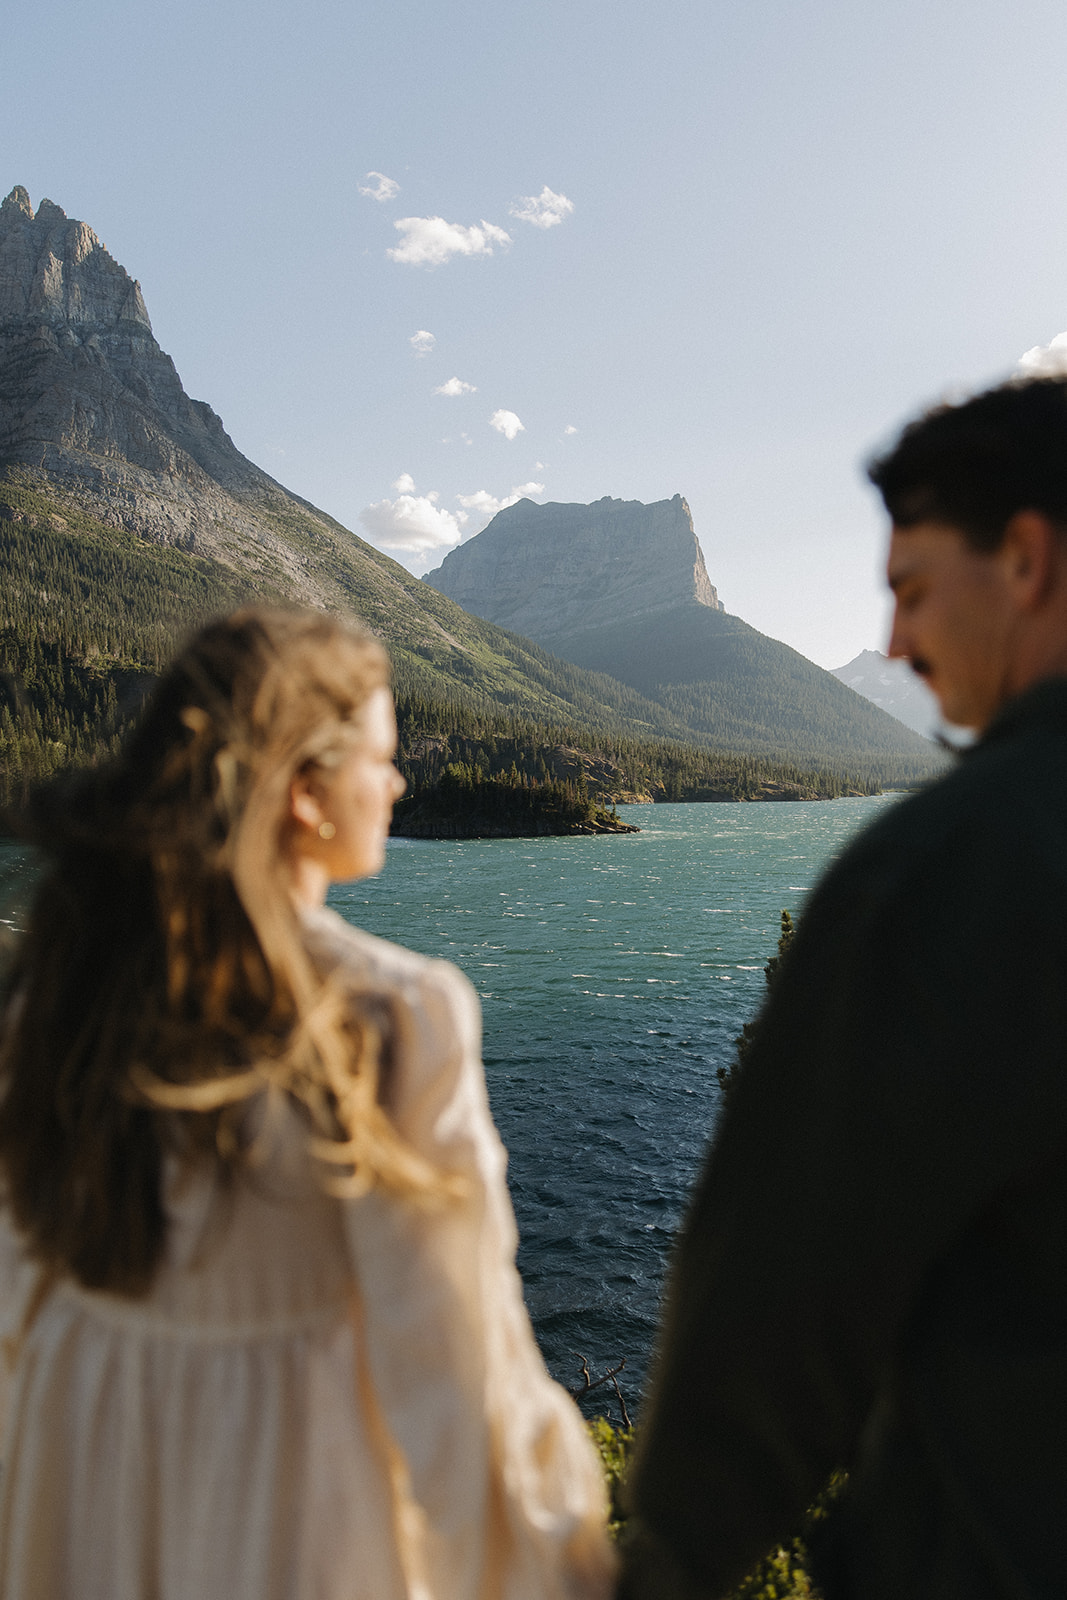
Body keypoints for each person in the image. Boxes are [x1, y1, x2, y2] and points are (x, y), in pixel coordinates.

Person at [0, 607, 613, 1600]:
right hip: (284, 1511)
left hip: (75, 1486)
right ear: (303, 792)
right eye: (381, 756)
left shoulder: (57, 993)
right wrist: (558, 1568)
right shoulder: (392, 1015)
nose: (399, 783)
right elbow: (455, 1359)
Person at [617, 375, 1067, 1600]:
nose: (897, 642)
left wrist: (666, 1561)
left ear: (1024, 561)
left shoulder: (950, 871)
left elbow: (771, 1304)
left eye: (912, 588)